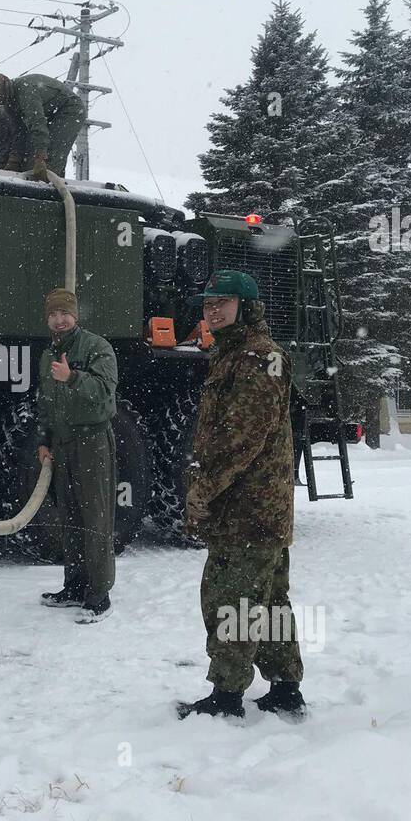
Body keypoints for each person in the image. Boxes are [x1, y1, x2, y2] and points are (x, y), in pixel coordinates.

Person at [177, 270, 306, 719]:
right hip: (255, 509)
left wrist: (202, 491)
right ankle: (286, 689)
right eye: (208, 304)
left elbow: (241, 437)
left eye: (223, 303)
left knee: (231, 601)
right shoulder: (234, 354)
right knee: (268, 600)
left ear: (246, 308)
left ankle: (226, 697)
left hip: (248, 509)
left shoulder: (258, 357)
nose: (211, 311)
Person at [36, 288, 118, 623]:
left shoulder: (97, 347)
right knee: (69, 517)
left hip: (93, 441)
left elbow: (104, 391)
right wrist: (44, 439)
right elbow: (45, 401)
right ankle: (74, 586)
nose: (59, 319)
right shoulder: (48, 354)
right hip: (63, 444)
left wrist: (72, 378)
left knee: (95, 518)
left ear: (76, 316)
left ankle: (99, 595)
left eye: (65, 313)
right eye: (53, 314)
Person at [0, 71, 86, 181]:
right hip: (50, 114)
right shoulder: (9, 103)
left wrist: (40, 156)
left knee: (49, 159)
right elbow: (19, 133)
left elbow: (37, 123)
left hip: (70, 110)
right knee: (28, 161)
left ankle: (50, 190)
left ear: (2, 86)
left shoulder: (25, 90)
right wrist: (13, 162)